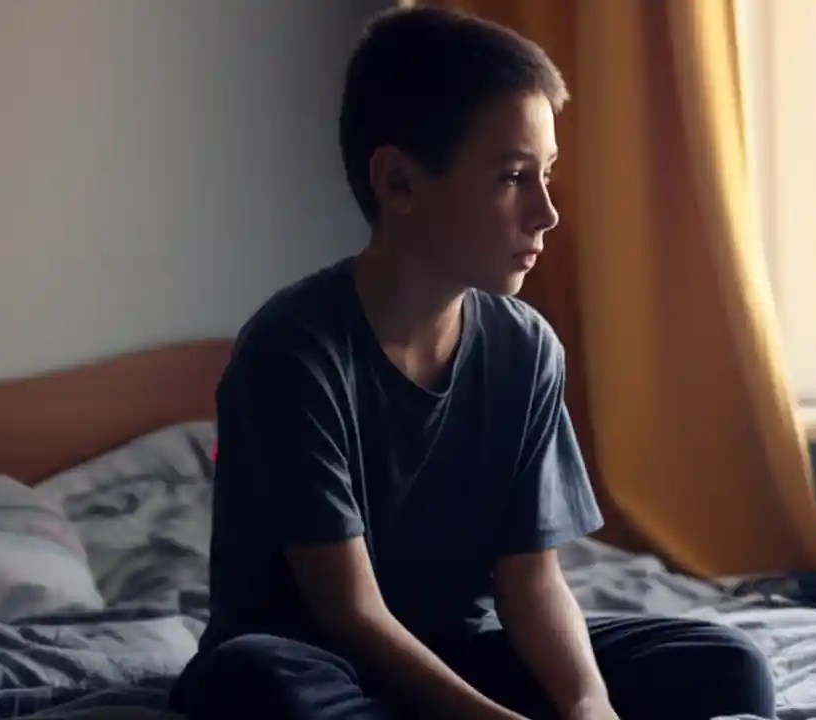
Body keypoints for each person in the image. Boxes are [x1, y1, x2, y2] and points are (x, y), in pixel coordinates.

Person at [169, 6, 776, 720]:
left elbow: (531, 582)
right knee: (253, 684)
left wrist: (588, 707)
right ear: (399, 184)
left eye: (547, 173)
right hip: (316, 662)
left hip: (455, 654)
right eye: (514, 177)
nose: (547, 212)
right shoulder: (293, 351)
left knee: (725, 667)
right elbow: (351, 613)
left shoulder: (525, 349)